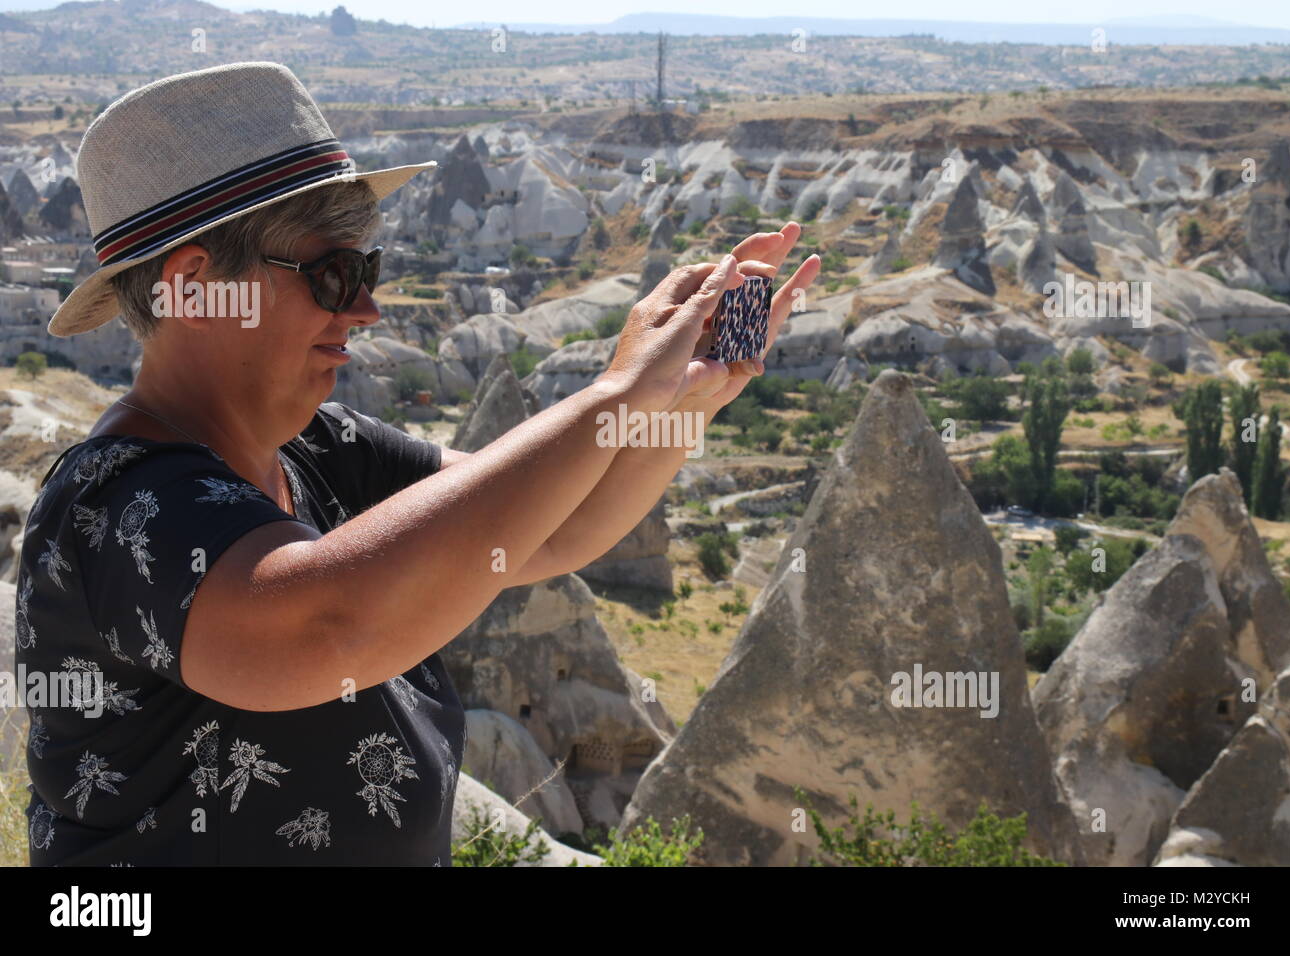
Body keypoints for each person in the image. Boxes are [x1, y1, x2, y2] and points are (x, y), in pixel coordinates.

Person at [17, 60, 820, 866]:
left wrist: (681, 403)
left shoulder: (324, 451)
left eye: (367, 271)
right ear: (193, 288)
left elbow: (554, 530)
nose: (365, 307)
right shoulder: (115, 509)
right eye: (332, 274)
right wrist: (613, 396)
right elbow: (329, 628)